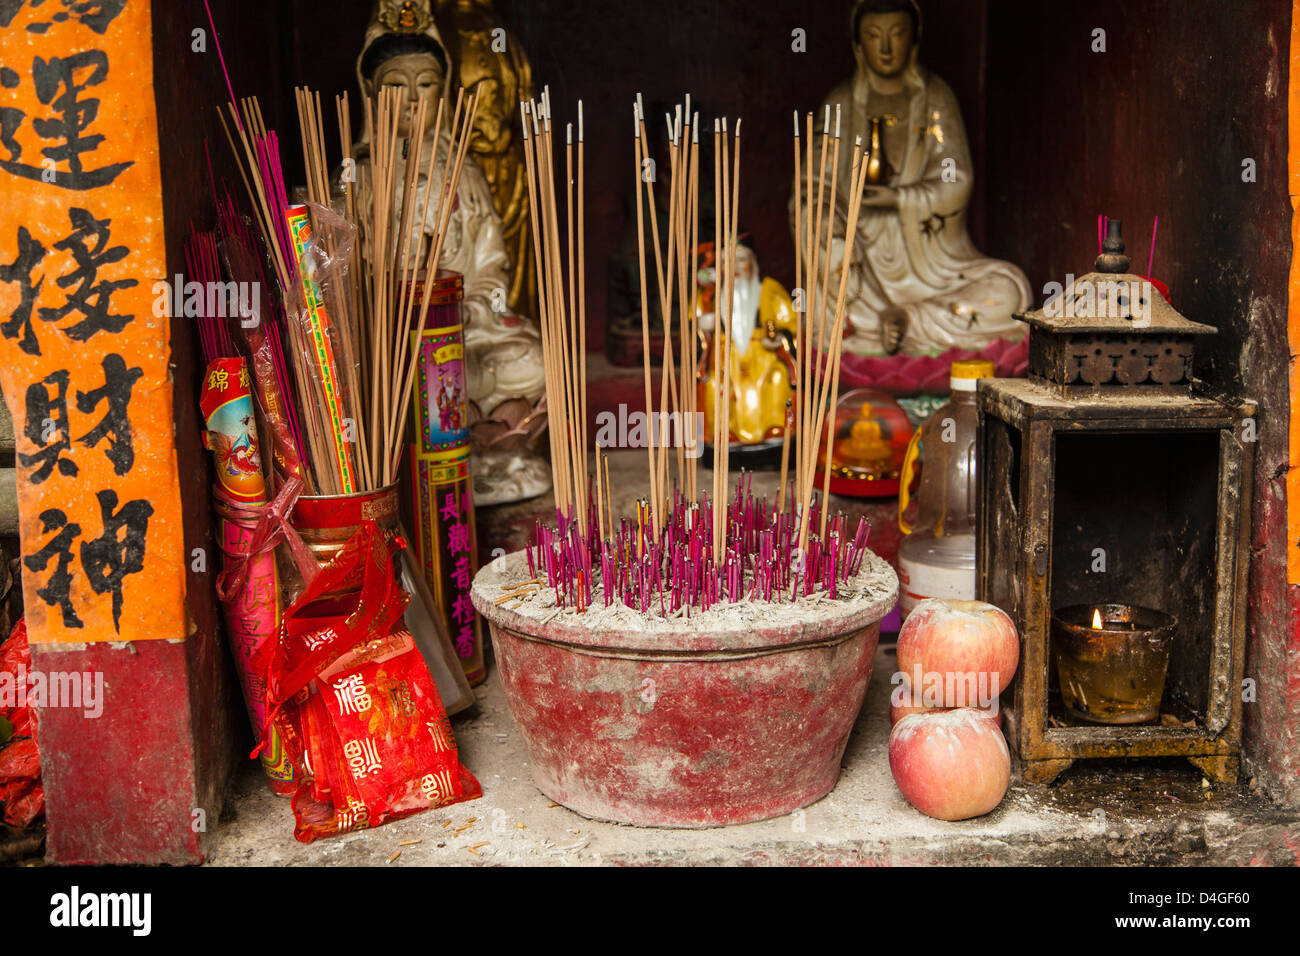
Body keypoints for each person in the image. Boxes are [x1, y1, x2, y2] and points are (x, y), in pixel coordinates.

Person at [793, 0, 1030, 356]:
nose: (886, 48)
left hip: (933, 275)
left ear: (915, 41)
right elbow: (812, 186)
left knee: (1012, 292)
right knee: (813, 292)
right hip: (859, 275)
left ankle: (908, 320)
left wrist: (900, 198)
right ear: (858, 45)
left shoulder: (935, 99)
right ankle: (874, 327)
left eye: (898, 34)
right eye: (874, 36)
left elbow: (957, 176)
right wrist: (826, 216)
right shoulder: (840, 105)